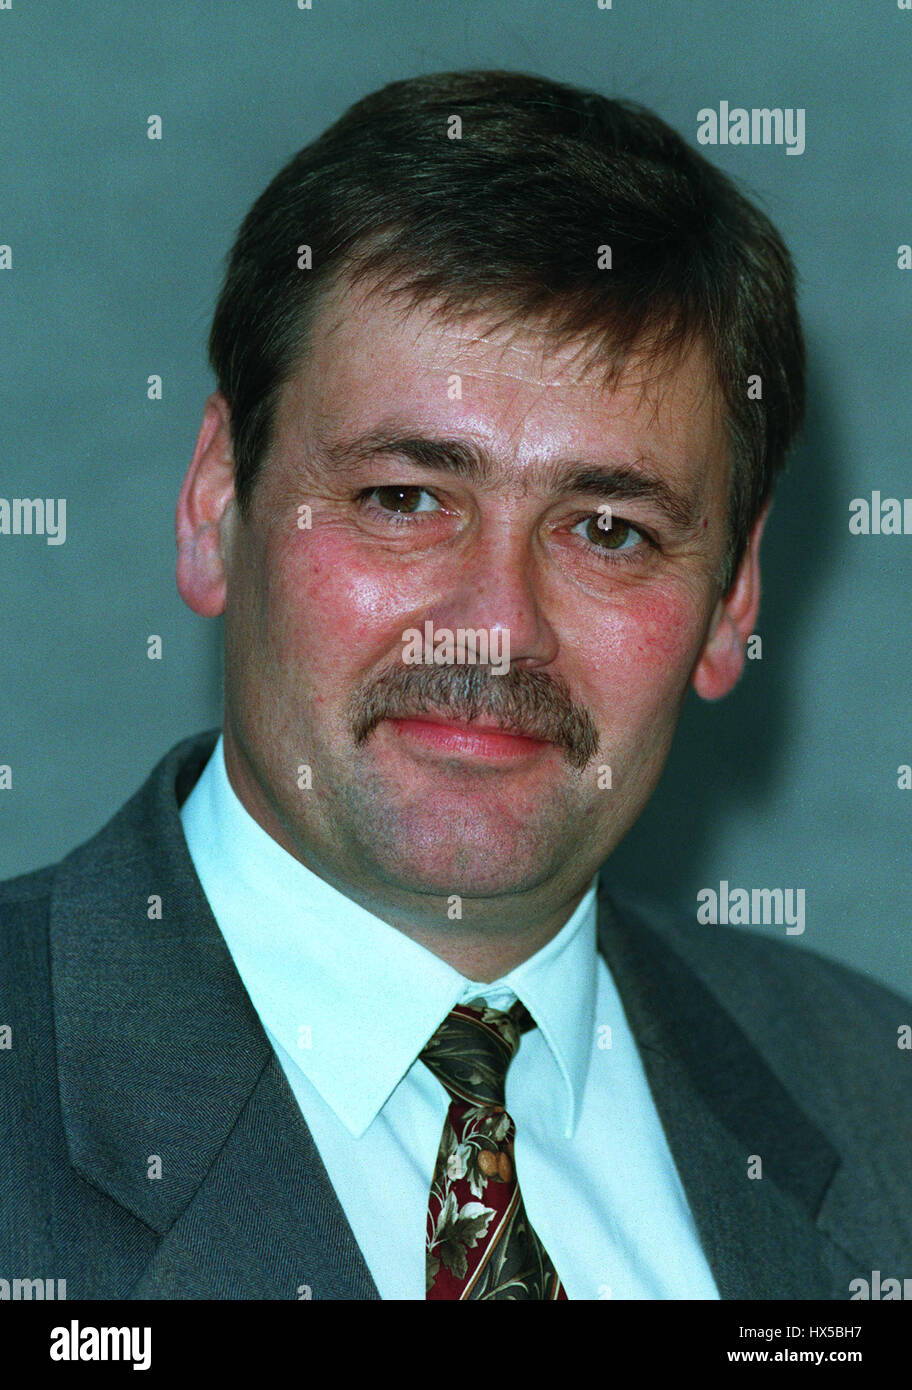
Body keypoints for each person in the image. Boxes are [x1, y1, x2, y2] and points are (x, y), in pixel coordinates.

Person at [2, 69, 909, 1302]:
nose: (496, 631)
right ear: (217, 505)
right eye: (404, 500)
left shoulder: (880, 1105)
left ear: (732, 601)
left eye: (608, 529)